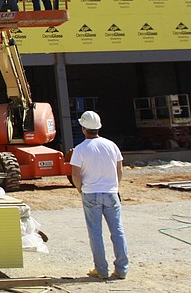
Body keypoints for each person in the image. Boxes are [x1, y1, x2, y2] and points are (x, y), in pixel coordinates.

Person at [69, 110, 129, 281]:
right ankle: (122, 270)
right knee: (117, 231)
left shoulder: (80, 149)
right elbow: (119, 170)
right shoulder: (112, 145)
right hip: (111, 193)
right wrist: (114, 187)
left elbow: (75, 175)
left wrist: (81, 189)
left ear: (83, 128)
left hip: (91, 194)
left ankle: (101, 270)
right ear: (99, 127)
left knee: (95, 233)